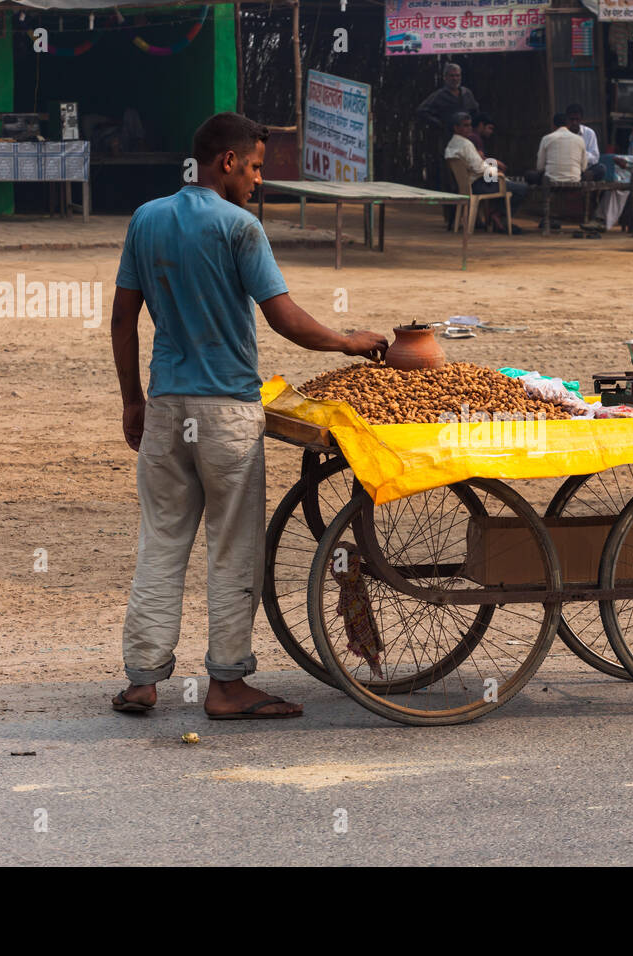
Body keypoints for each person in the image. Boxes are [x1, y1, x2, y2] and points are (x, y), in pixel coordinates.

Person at [109, 112, 387, 719]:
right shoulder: (240, 228)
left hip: (166, 410)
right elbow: (284, 317)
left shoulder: (147, 219)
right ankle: (228, 685)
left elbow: (124, 319)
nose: (259, 179)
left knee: (161, 542)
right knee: (233, 548)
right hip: (227, 413)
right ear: (227, 162)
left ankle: (142, 680)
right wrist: (349, 341)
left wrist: (132, 399)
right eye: (256, 166)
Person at [418, 63, 479, 225]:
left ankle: (474, 217)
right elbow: (422, 111)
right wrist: (440, 124)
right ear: (445, 77)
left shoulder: (466, 94)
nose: (455, 79)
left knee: (472, 174)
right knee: (450, 179)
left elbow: (475, 111)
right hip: (448, 142)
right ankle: (452, 219)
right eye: (451, 76)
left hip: (466, 141)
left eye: (457, 75)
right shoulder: (439, 96)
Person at [445, 111, 525, 233]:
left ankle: (494, 216)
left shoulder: (451, 144)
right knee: (522, 189)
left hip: (466, 185)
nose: (469, 128)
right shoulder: (466, 144)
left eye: (470, 125)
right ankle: (499, 217)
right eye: (465, 125)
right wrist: (496, 171)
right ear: (456, 127)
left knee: (505, 183)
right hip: (478, 184)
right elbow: (479, 168)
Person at [532, 113, 588, 184]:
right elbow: (583, 168)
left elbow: (540, 167)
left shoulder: (546, 139)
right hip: (574, 179)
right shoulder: (580, 139)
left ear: (553, 125)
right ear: (568, 125)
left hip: (551, 180)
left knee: (530, 175)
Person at [565, 103, 604, 181]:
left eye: (577, 119)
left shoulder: (589, 133)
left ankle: (580, 178)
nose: (574, 123)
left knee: (601, 169)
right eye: (572, 119)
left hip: (584, 170)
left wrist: (580, 154)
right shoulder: (562, 134)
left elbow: (595, 158)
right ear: (567, 119)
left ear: (581, 119)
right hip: (567, 169)